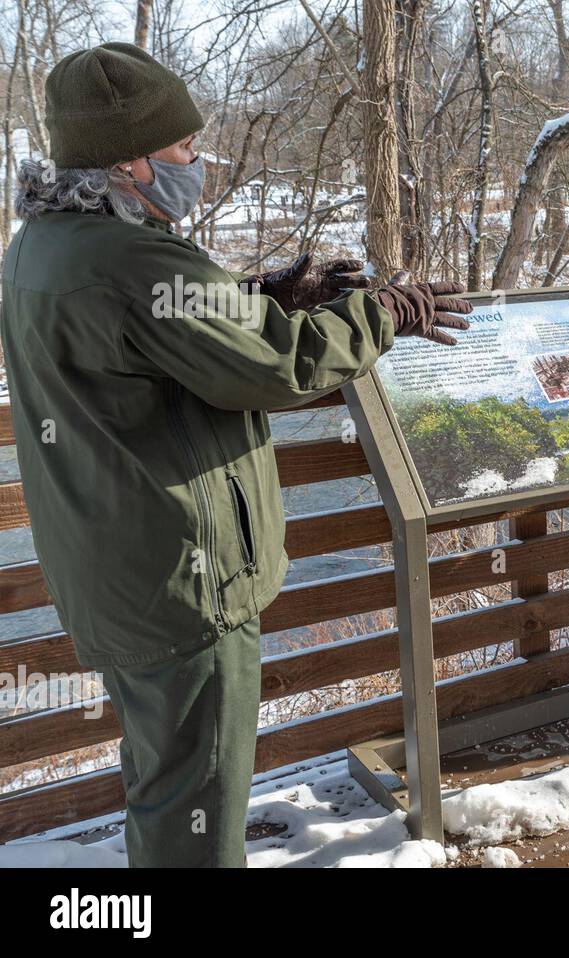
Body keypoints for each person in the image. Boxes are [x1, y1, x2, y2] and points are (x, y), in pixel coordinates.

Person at [1, 42, 473, 867]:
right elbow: (280, 366)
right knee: (201, 805)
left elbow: (152, 343)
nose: (199, 160)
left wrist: (261, 298)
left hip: (115, 574)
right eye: (184, 146)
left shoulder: (41, 249)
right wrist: (385, 313)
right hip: (182, 580)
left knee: (165, 776)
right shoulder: (131, 259)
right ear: (129, 163)